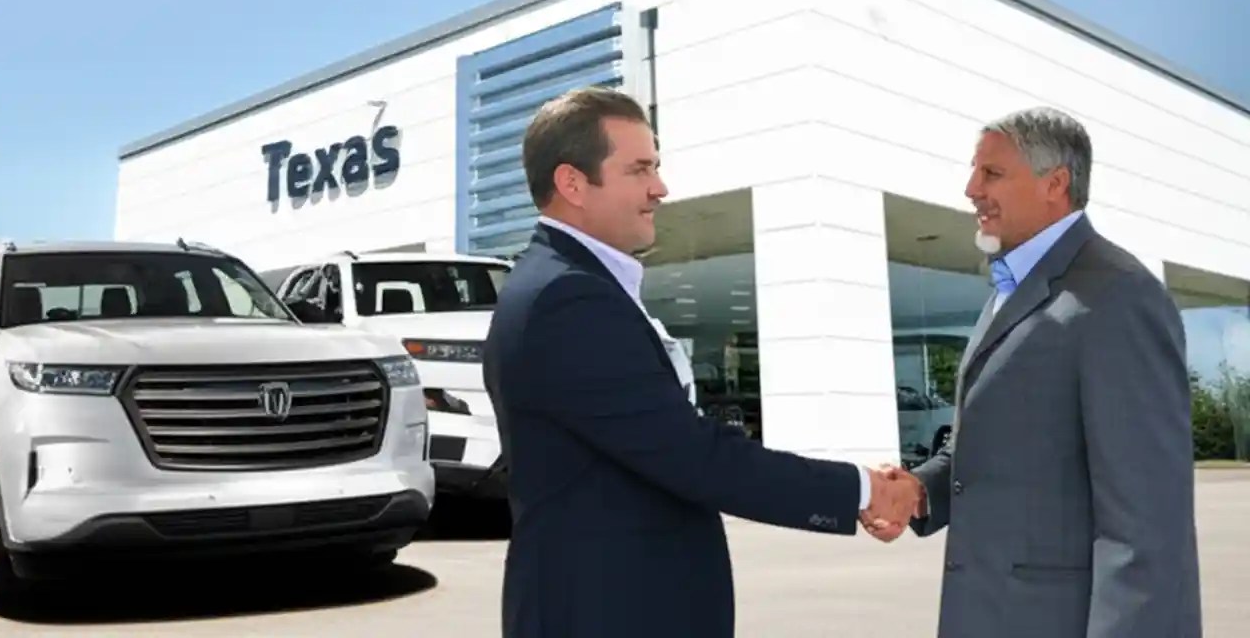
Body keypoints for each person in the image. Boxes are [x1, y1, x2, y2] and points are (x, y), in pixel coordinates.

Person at [482, 86, 921, 638]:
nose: (659, 189)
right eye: (639, 170)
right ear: (573, 183)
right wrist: (858, 489)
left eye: (657, 168)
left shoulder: (570, 287)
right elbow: (693, 456)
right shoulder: (565, 299)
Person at [867, 107, 1203, 638]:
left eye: (991, 173)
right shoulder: (1011, 291)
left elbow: (1148, 530)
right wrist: (922, 490)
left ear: (1056, 183)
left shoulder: (1116, 295)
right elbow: (1004, 440)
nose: (970, 188)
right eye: (975, 171)